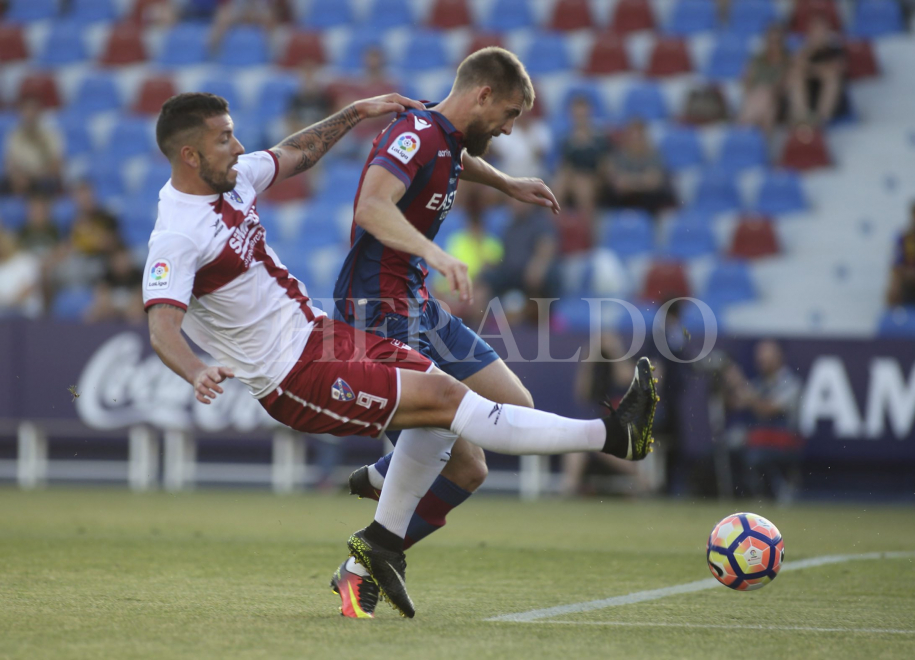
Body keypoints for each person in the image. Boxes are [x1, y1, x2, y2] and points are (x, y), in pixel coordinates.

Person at [144, 92, 658, 620]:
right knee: (448, 406)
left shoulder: (235, 179)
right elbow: (162, 327)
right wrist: (196, 368)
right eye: (225, 138)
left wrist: (358, 110)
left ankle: (380, 543)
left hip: (327, 337)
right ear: (190, 155)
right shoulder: (177, 235)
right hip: (294, 376)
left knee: (443, 411)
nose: (239, 146)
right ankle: (614, 435)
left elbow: (296, 151)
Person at [330, 47, 580, 617]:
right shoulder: (416, 130)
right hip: (379, 307)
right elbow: (371, 207)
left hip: (417, 301)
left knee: (509, 414)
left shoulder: (444, 137)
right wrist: (432, 252)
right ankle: (365, 558)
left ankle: (375, 504)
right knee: (461, 446)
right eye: (510, 114)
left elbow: (457, 160)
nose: (511, 127)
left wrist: (509, 184)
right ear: (483, 94)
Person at [560, 332, 654, 498]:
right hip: (603, 421)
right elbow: (582, 393)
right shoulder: (594, 361)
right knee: (579, 441)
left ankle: (643, 482)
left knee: (594, 441)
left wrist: (615, 351)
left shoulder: (626, 356)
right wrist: (589, 359)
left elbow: (625, 379)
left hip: (627, 420)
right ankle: (569, 488)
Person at [724, 340, 803, 503]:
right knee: (728, 448)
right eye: (760, 356)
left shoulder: (791, 383)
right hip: (759, 440)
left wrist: (742, 385)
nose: (762, 360)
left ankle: (773, 492)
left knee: (754, 456)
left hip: (782, 441)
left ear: (778, 357)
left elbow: (768, 409)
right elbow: (734, 403)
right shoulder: (759, 383)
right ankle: (745, 495)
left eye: (766, 356)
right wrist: (727, 382)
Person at [602, 119, 677, 214]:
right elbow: (618, 183)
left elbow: (653, 182)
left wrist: (629, 182)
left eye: (639, 138)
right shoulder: (617, 156)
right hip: (623, 201)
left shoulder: (654, 155)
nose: (636, 141)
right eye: (633, 137)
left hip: (649, 202)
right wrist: (642, 181)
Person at [552, 95, 610, 212]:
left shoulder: (599, 138)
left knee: (583, 187)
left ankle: (587, 227)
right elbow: (564, 166)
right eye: (576, 115)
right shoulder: (566, 139)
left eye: (582, 115)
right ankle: (553, 224)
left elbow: (604, 167)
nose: (579, 118)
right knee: (557, 187)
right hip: (572, 177)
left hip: (593, 178)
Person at [787, 16, 848, 126]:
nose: (818, 33)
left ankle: (822, 120)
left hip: (832, 100)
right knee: (795, 75)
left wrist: (810, 70)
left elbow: (836, 69)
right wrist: (811, 49)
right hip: (808, 94)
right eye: (815, 30)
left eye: (821, 30)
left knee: (830, 76)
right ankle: (802, 117)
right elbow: (795, 66)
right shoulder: (804, 49)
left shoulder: (835, 49)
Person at [2, 97, 63, 196]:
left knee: (47, 184)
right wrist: (18, 176)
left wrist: (33, 177)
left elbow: (55, 166)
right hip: (21, 178)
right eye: (26, 110)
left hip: (42, 177)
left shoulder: (51, 135)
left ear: (39, 113)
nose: (30, 114)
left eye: (33, 110)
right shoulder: (14, 135)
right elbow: (10, 163)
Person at [738, 24, 790, 135]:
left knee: (766, 95)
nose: (774, 45)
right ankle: (760, 145)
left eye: (777, 42)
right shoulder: (757, 60)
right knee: (767, 109)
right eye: (771, 41)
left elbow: (784, 87)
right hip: (758, 100)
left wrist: (768, 91)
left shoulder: (788, 61)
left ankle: (742, 128)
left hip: (779, 102)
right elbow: (747, 83)